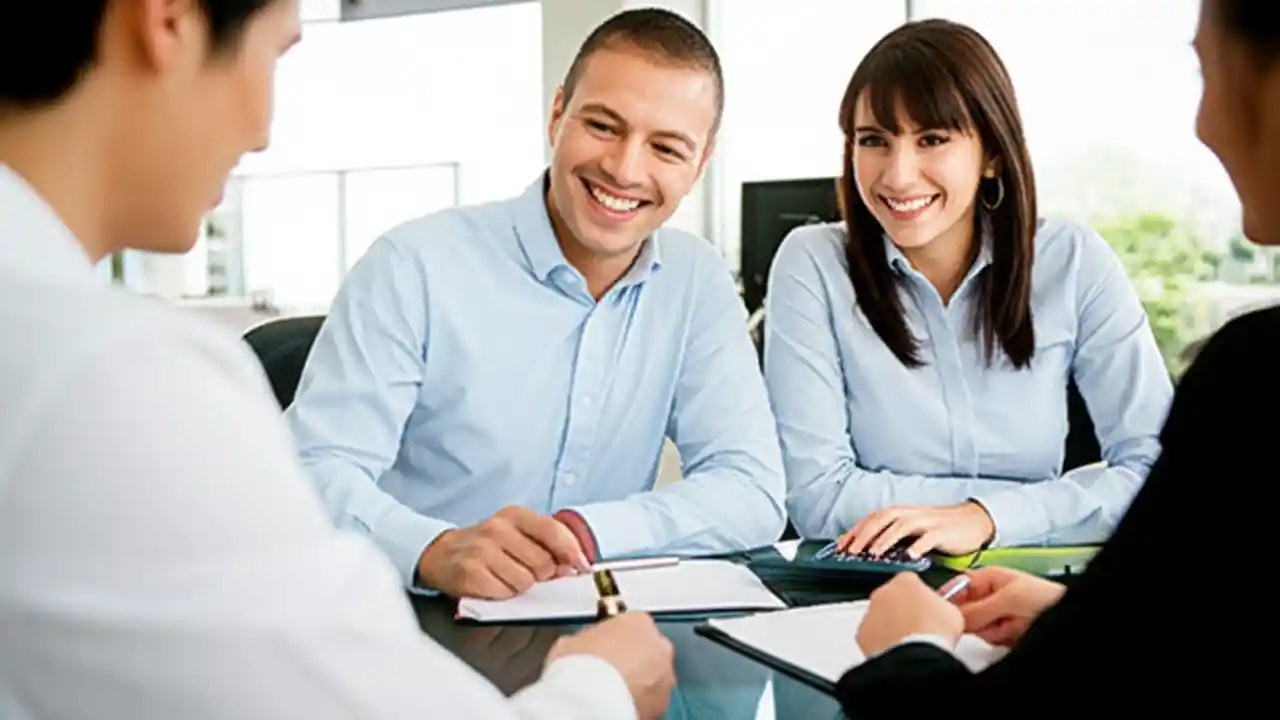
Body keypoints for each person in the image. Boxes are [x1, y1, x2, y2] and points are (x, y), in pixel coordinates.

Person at [0, 2, 675, 718]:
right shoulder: (112, 383)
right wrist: (601, 685)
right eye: (275, 53)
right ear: (167, 20)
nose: (261, 130)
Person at [836, 0, 1276, 711]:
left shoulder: (1252, 375)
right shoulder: (816, 264)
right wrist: (1069, 610)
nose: (1201, 124)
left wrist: (914, 642)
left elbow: (1144, 474)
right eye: (873, 140)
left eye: (1209, 72)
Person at [284, 8, 786, 599]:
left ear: (700, 164)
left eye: (667, 149)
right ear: (557, 115)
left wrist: (584, 532)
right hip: (411, 616)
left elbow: (751, 490)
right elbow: (310, 471)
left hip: (592, 620)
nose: (625, 169)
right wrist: (432, 549)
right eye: (603, 126)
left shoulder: (694, 279)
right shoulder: (413, 264)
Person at [763, 18, 1172, 559]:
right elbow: (817, 495)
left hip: (1034, 580)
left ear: (993, 154)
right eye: (874, 141)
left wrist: (986, 518)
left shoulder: (1073, 263)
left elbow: (1159, 471)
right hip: (870, 578)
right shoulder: (814, 263)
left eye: (932, 140)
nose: (898, 175)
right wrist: (1036, 505)